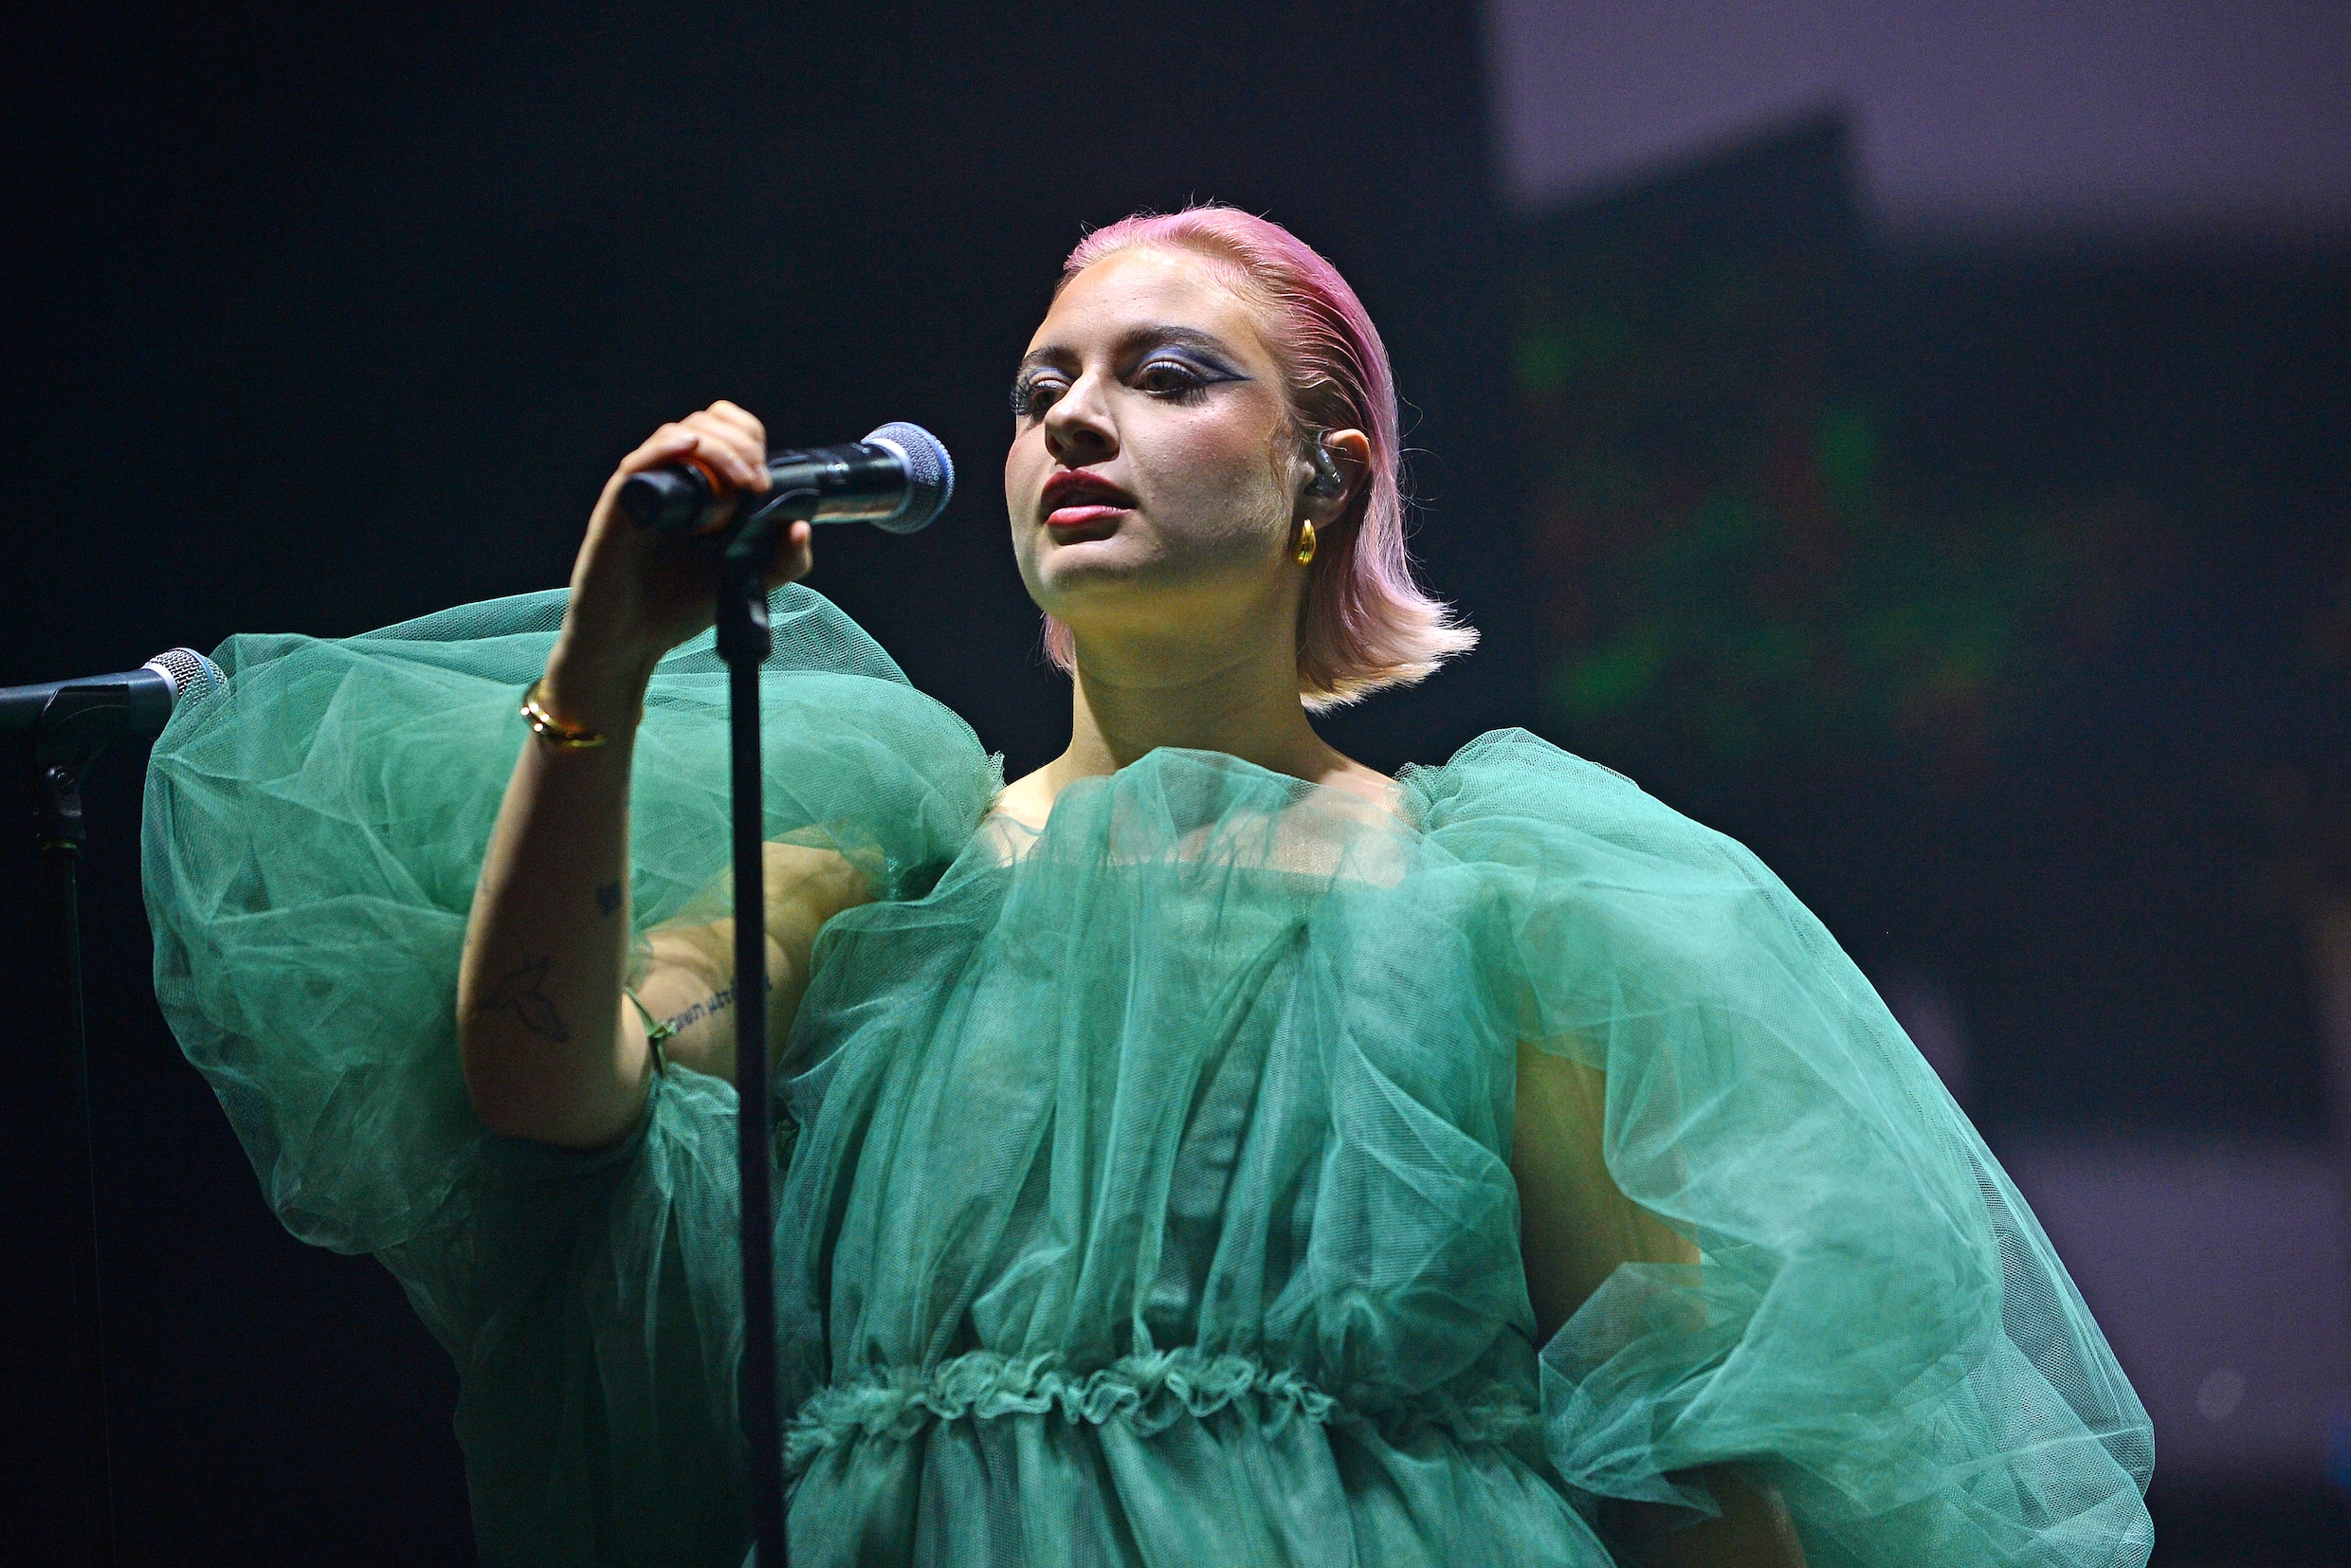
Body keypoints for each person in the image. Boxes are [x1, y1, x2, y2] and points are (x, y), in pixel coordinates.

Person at [145, 207, 2154, 1567]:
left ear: (1322, 475)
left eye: (1169, 372)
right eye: (1039, 391)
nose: (1074, 419)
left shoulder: (1494, 903)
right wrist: (602, 658)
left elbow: (1701, 1471)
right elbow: (543, 1088)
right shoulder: (878, 872)